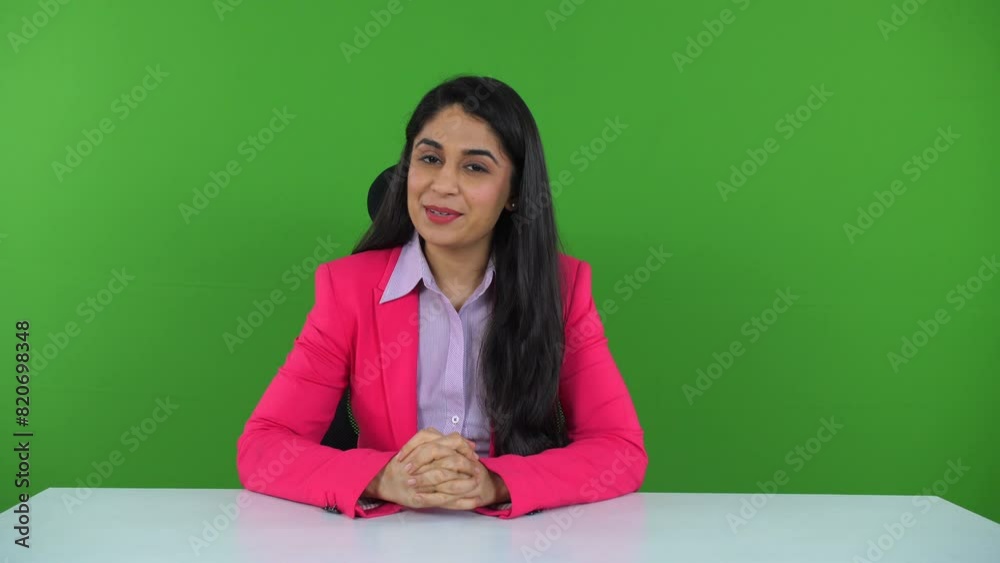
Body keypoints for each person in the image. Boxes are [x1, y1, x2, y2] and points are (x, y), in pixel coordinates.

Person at [235, 75, 647, 519]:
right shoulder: (348, 289)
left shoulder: (562, 289)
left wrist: (494, 482)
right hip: (389, 536)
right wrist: (384, 477)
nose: (442, 185)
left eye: (475, 167)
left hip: (517, 538)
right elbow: (263, 445)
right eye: (430, 158)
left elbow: (619, 449)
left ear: (513, 193)